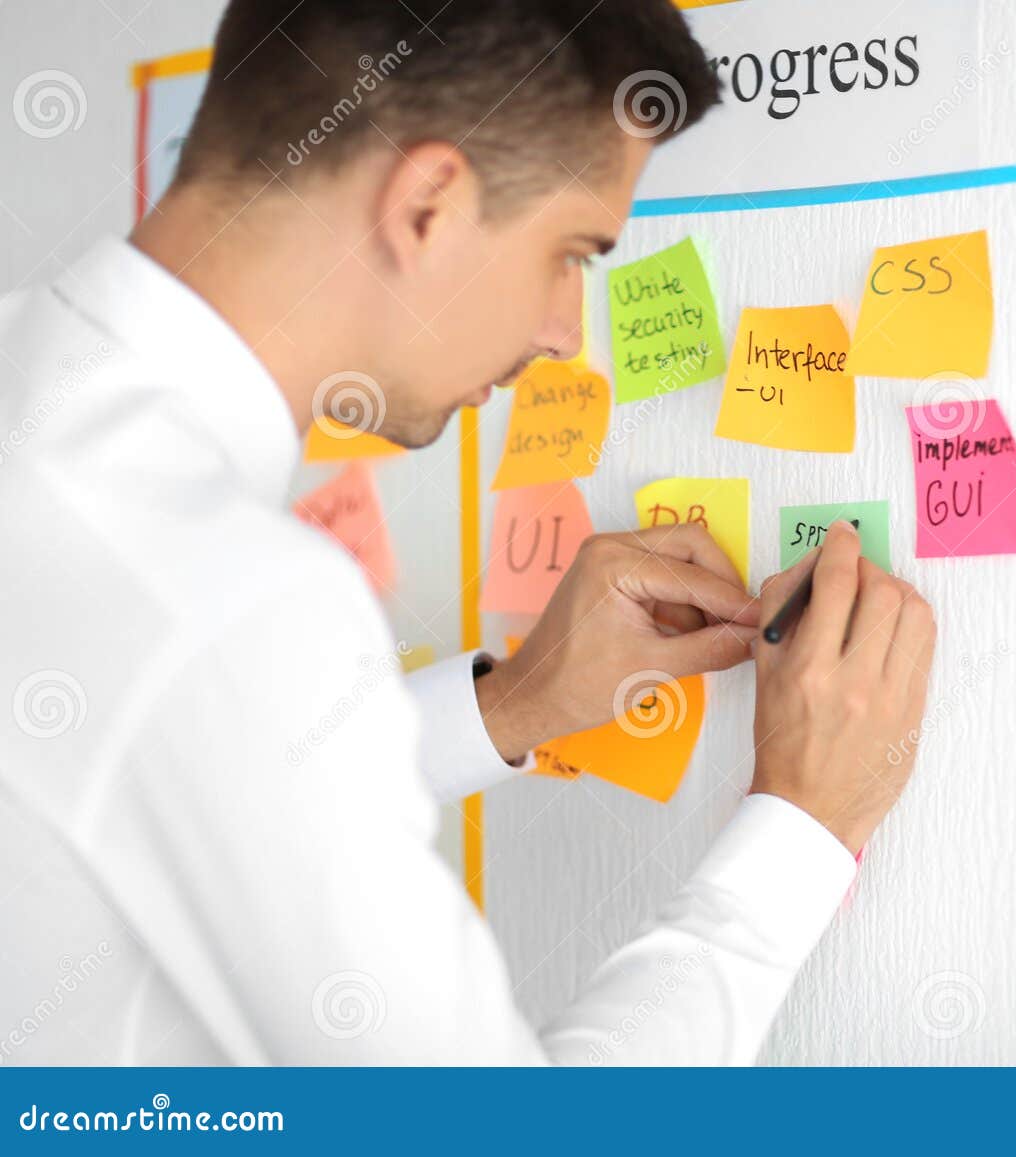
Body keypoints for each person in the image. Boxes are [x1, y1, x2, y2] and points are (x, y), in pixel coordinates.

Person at [0, 0, 934, 1064]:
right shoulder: (234, 598)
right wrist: (803, 826)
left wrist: (516, 701)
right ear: (429, 203)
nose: (563, 330)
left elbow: (159, 756)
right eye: (571, 252)